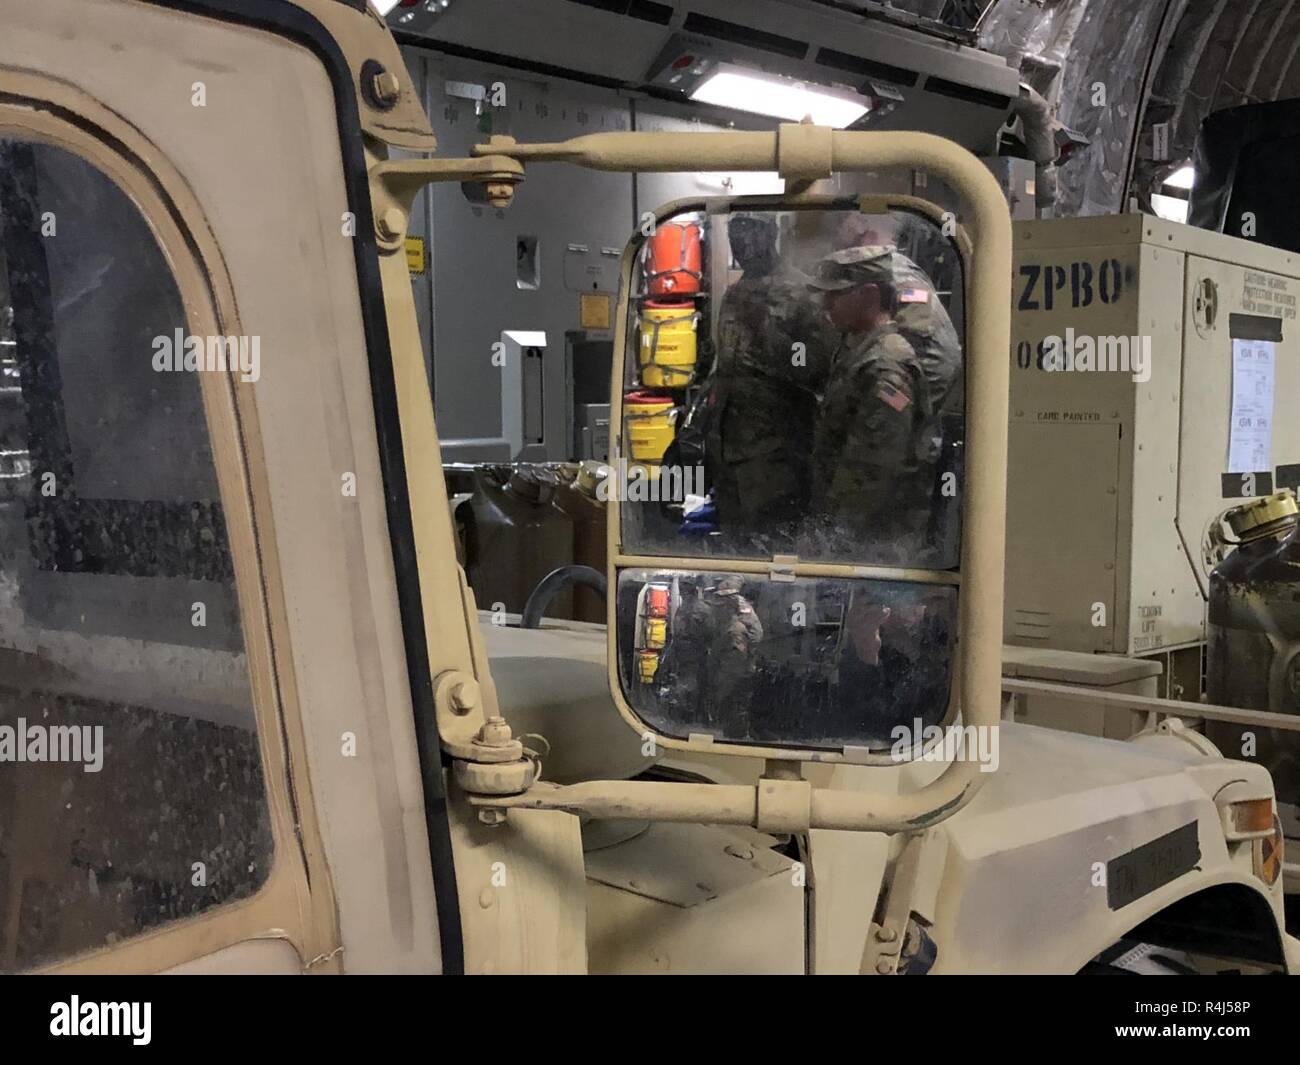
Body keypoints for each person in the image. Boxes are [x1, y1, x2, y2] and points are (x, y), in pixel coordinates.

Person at [806, 245, 943, 560]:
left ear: (868, 296)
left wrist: (833, 538)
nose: (826, 303)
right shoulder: (857, 350)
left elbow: (872, 470)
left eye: (836, 294)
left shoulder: (885, 366)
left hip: (874, 539)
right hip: (858, 531)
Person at [706, 214, 834, 544]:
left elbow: (818, 368)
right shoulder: (734, 294)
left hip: (777, 459)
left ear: (771, 233)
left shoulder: (803, 293)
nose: (741, 242)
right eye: (735, 233)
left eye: (751, 231)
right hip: (729, 453)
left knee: (775, 554)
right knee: (735, 553)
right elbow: (727, 365)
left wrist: (766, 330)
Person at [701, 575, 763, 732]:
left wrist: (722, 686)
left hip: (733, 672)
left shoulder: (736, 627)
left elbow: (738, 659)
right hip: (729, 667)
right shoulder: (729, 623)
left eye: (721, 602)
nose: (717, 606)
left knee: (731, 704)